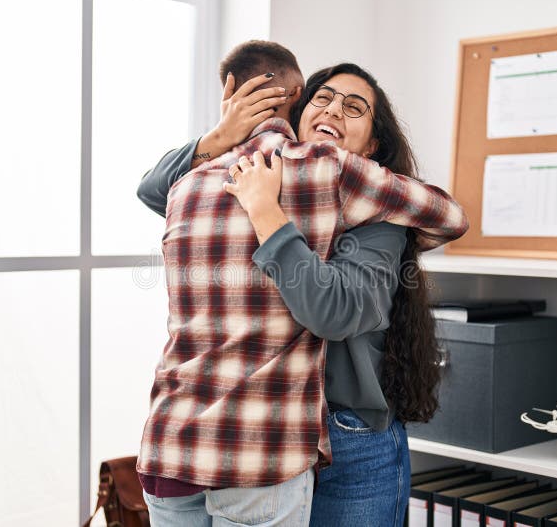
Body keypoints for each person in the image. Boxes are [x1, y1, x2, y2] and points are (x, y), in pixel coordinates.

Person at [136, 41, 468, 527]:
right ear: (296, 108)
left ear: (373, 147)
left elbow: (335, 311)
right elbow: (152, 190)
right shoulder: (258, 176)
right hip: (266, 435)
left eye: (354, 108)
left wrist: (268, 214)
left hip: (346, 434)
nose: (334, 108)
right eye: (323, 98)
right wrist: (221, 136)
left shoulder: (379, 217)